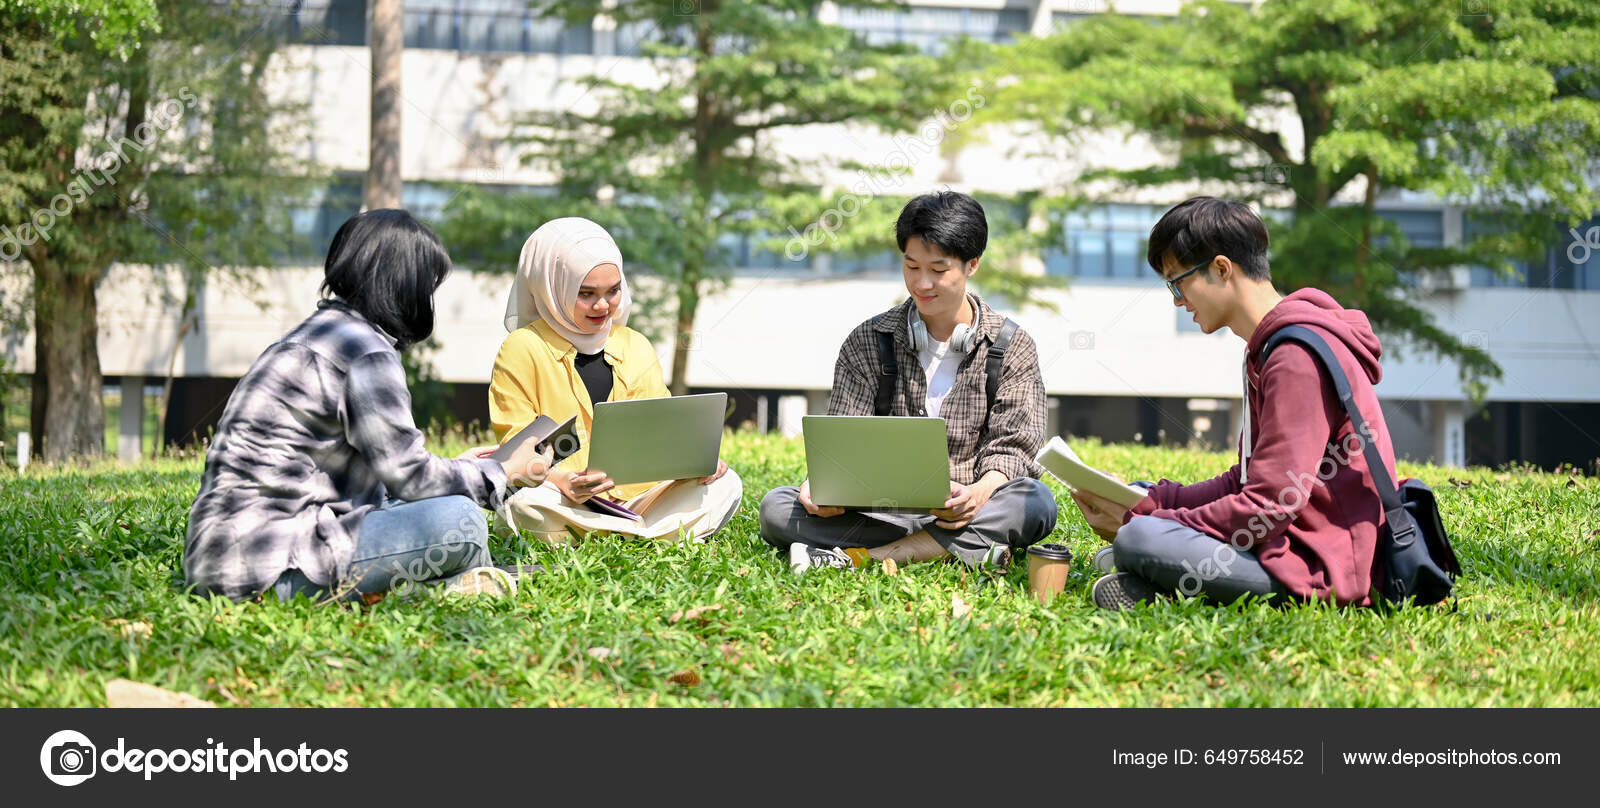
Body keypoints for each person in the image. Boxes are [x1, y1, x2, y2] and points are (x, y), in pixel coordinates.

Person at [184, 209, 552, 604]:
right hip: (271, 568)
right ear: (403, 282)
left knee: (450, 507)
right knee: (460, 521)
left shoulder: (314, 335)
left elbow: (381, 482)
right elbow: (411, 478)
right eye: (427, 285)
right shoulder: (364, 350)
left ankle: (460, 583)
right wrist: (502, 471)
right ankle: (452, 588)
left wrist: (461, 468)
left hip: (215, 560)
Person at [1073, 196, 1397, 610]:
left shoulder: (1294, 356)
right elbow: (1245, 483)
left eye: (1178, 282)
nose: (1176, 300)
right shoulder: (1269, 348)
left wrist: (1138, 523)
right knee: (1140, 503)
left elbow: (1270, 504)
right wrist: (1149, 500)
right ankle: (1157, 578)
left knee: (1139, 537)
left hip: (1322, 564)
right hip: (1289, 539)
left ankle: (1157, 573)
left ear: (1222, 269)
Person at [759, 191, 1057, 574]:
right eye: (911, 266)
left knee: (1034, 501)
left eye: (938, 269)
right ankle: (960, 550)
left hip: (968, 510)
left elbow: (1014, 448)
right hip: (877, 513)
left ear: (972, 265)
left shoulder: (1011, 346)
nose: (922, 283)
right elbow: (841, 439)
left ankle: (870, 558)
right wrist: (818, 487)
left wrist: (979, 494)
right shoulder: (869, 340)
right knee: (777, 508)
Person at [488, 217, 741, 543]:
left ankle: (613, 533)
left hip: (641, 499)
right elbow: (515, 452)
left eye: (613, 290)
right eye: (586, 293)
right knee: (523, 503)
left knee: (726, 483)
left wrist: (695, 462)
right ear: (550, 287)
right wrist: (561, 480)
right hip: (561, 499)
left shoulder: (634, 344)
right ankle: (646, 536)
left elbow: (665, 430)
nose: (603, 305)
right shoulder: (522, 348)